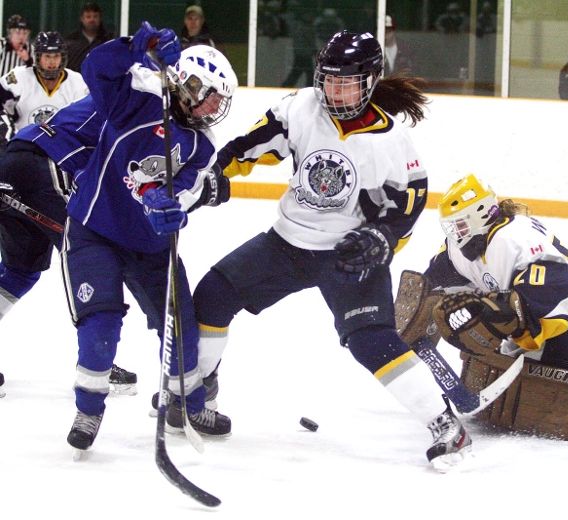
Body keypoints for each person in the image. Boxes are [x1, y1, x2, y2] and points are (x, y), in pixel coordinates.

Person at [193, 31, 472, 470]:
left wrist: (380, 241)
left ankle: (445, 424)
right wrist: (209, 175)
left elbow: (407, 207)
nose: (333, 92)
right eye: (328, 80)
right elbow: (246, 149)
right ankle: (199, 390)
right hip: (286, 242)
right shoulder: (300, 108)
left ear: (371, 81)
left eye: (346, 83)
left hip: (347, 253)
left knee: (372, 343)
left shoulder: (392, 142)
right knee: (211, 296)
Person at [62, 22, 236, 452]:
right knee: (101, 327)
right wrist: (132, 47)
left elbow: (191, 190)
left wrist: (173, 210)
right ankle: (89, 408)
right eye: (209, 96)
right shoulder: (136, 94)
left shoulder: (202, 144)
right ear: (187, 83)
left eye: (218, 102)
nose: (213, 108)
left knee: (181, 325)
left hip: (152, 249)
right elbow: (95, 66)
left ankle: (189, 404)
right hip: (94, 230)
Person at [0, 96, 138, 397]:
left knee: (19, 271)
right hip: (42, 167)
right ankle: (98, 361)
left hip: (16, 160)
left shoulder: (116, 93)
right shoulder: (134, 105)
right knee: (90, 257)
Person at [426, 174, 568, 373]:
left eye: (460, 226)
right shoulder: (459, 248)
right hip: (547, 321)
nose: (456, 235)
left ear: (480, 214)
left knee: (518, 394)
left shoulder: (517, 241)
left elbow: (554, 298)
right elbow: (431, 283)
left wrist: (498, 317)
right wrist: (415, 308)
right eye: (452, 228)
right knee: (485, 372)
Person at [0, 31, 89, 130]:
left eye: (56, 56)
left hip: (61, 143)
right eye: (47, 56)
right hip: (23, 143)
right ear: (38, 57)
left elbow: (86, 117)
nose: (52, 62)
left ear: (62, 57)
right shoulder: (20, 77)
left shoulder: (77, 81)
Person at [64, 2, 114, 73]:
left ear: (100, 18)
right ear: (82, 19)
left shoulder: (108, 40)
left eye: (95, 16)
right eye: (88, 17)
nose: (92, 20)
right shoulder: (72, 40)